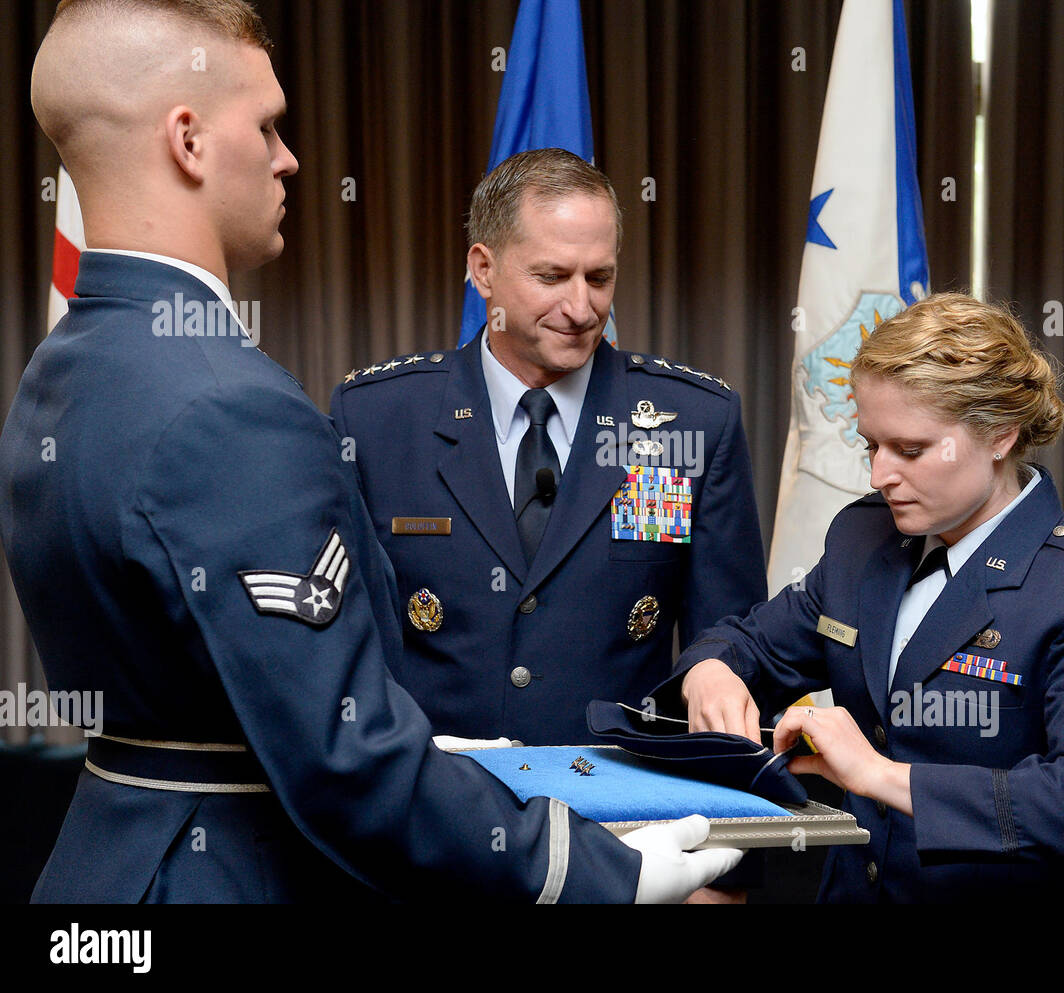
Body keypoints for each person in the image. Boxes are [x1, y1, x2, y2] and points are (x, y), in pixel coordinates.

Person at [0, 0, 739, 904]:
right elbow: (340, 754)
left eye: (600, 276)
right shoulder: (232, 405)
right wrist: (605, 874)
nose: (288, 157)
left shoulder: (65, 367)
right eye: (267, 125)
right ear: (187, 140)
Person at [671, 293, 1064, 902]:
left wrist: (879, 776)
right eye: (870, 445)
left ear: (1000, 435)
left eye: (910, 450)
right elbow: (750, 643)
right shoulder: (862, 540)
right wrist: (711, 670)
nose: (879, 476)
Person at [329, 148, 766, 747]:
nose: (581, 308)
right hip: (435, 803)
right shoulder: (378, 418)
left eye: (600, 277)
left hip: (620, 806)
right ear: (483, 271)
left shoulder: (690, 420)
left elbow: (732, 632)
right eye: (552, 276)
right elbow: (342, 639)